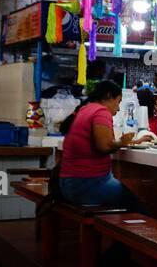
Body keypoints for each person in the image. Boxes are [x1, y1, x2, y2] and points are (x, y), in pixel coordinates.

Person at [58, 80, 147, 211]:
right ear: (109, 96)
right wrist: (122, 142)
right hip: (89, 184)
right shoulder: (101, 112)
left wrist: (130, 141)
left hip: (68, 184)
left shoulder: (85, 109)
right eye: (118, 102)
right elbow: (104, 146)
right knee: (139, 210)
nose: (118, 108)